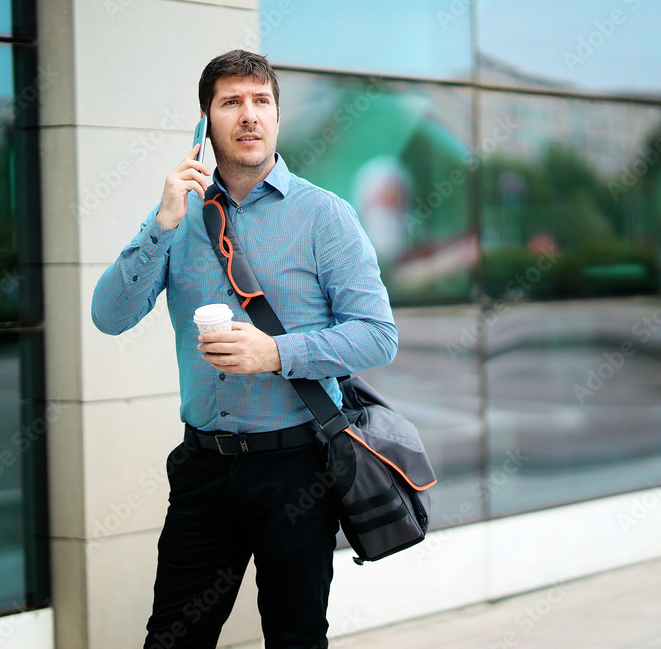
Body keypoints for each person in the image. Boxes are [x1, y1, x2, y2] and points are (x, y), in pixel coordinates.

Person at [91, 49, 397, 649]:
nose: (249, 115)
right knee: (172, 638)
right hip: (203, 469)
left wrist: (275, 354)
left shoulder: (324, 216)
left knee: (294, 637)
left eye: (261, 101)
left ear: (277, 117)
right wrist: (162, 221)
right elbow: (110, 316)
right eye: (231, 102)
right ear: (205, 123)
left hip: (298, 470)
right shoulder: (177, 218)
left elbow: (377, 334)